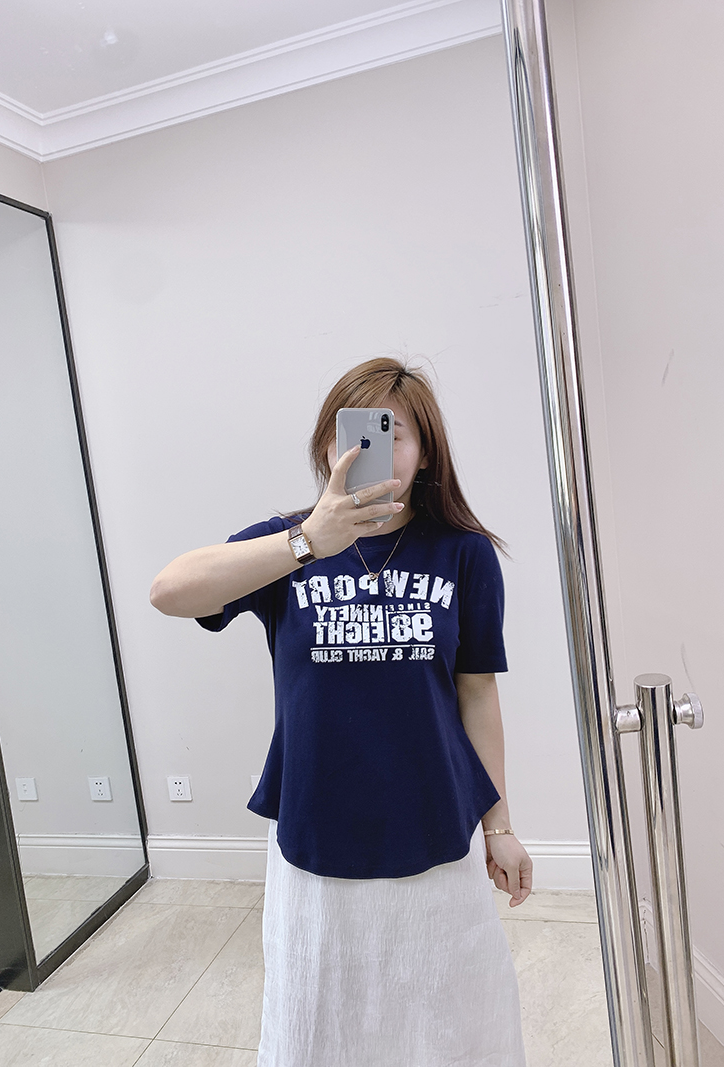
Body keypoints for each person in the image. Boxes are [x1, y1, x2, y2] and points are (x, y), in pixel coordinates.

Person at [150, 357, 532, 1067]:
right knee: (318, 1024)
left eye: (393, 434)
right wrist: (306, 544)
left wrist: (500, 825)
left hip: (434, 822)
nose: (365, 449)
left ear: (424, 455)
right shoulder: (286, 543)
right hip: (318, 826)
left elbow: (477, 691)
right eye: (349, 433)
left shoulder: (464, 553)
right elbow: (168, 591)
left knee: (448, 1020)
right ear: (327, 446)